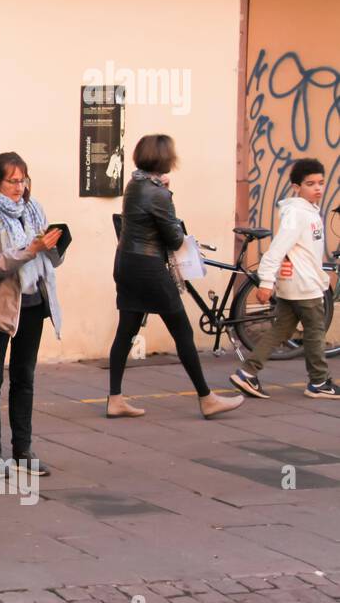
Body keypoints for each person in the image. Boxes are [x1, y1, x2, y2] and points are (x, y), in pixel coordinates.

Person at [107, 135, 242, 419]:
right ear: (165, 158)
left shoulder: (134, 184)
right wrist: (170, 201)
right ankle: (207, 398)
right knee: (182, 330)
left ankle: (115, 398)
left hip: (127, 263)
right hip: (149, 268)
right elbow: (174, 237)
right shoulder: (158, 193)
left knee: (126, 332)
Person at [0, 153, 64, 477]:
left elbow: (50, 261)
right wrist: (32, 250)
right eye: (12, 180)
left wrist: (54, 245)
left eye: (22, 180)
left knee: (24, 378)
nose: (19, 187)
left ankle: (23, 450)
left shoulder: (33, 210)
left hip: (33, 301)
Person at [230, 158, 340, 399]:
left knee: (280, 330)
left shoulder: (307, 211)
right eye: (310, 183)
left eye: (321, 182)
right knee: (315, 331)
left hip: (298, 284)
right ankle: (319, 381)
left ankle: (247, 373)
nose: (318, 188)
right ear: (296, 187)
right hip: (303, 286)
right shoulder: (298, 214)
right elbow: (277, 249)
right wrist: (266, 282)